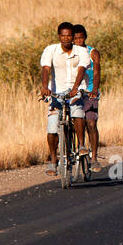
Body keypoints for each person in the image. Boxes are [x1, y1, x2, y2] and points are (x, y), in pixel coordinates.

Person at [40, 21, 90, 175]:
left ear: (73, 37)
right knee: (52, 127)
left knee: (76, 112)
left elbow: (82, 69)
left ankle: (81, 145)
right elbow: (46, 69)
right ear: (59, 36)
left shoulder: (81, 51)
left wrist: (76, 88)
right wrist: (44, 87)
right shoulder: (51, 50)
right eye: (63, 35)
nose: (66, 38)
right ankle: (53, 160)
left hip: (76, 90)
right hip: (57, 93)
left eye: (69, 36)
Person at [72, 24, 102, 174]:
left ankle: (94, 158)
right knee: (76, 120)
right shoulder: (70, 53)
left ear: (85, 37)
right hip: (74, 92)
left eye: (81, 38)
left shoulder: (92, 52)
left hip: (89, 92)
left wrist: (94, 90)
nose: (78, 41)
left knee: (91, 123)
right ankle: (79, 146)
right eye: (75, 38)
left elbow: (96, 73)